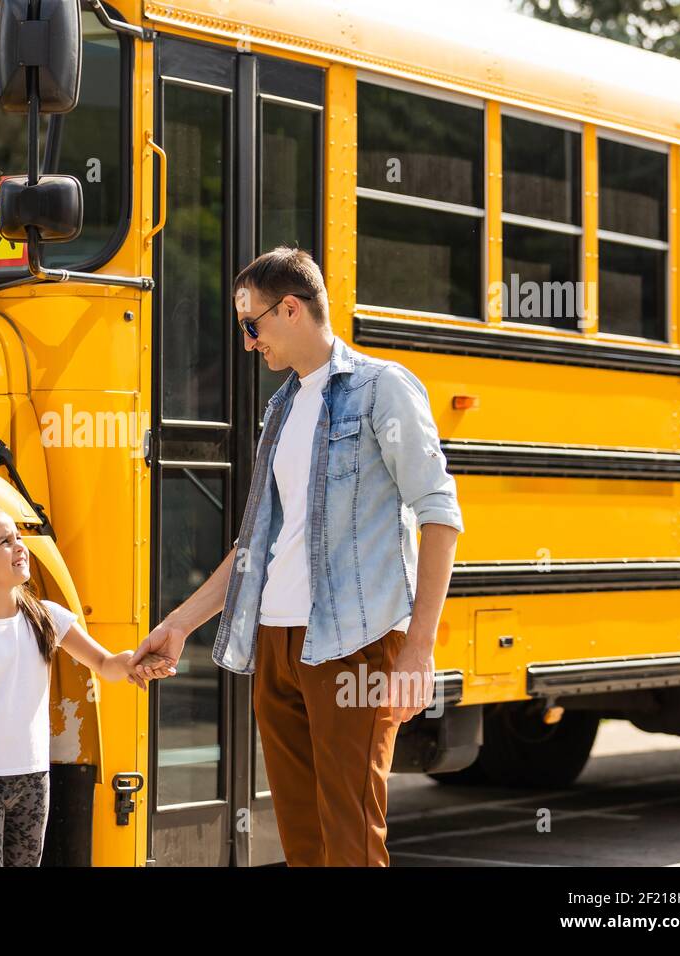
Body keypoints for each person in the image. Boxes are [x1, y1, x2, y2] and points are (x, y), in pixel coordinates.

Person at [130, 246, 463, 866]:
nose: (249, 342)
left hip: (354, 642)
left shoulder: (380, 389)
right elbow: (256, 545)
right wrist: (180, 625)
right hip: (277, 643)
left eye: (251, 324)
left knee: (352, 838)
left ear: (291, 308)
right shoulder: (282, 406)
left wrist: (419, 646)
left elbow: (440, 513)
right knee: (304, 841)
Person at [0, 507, 173, 866]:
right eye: (4, 542)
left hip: (33, 779)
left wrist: (136, 662)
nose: (19, 547)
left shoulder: (47, 617)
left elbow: (105, 664)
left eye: (18, 538)